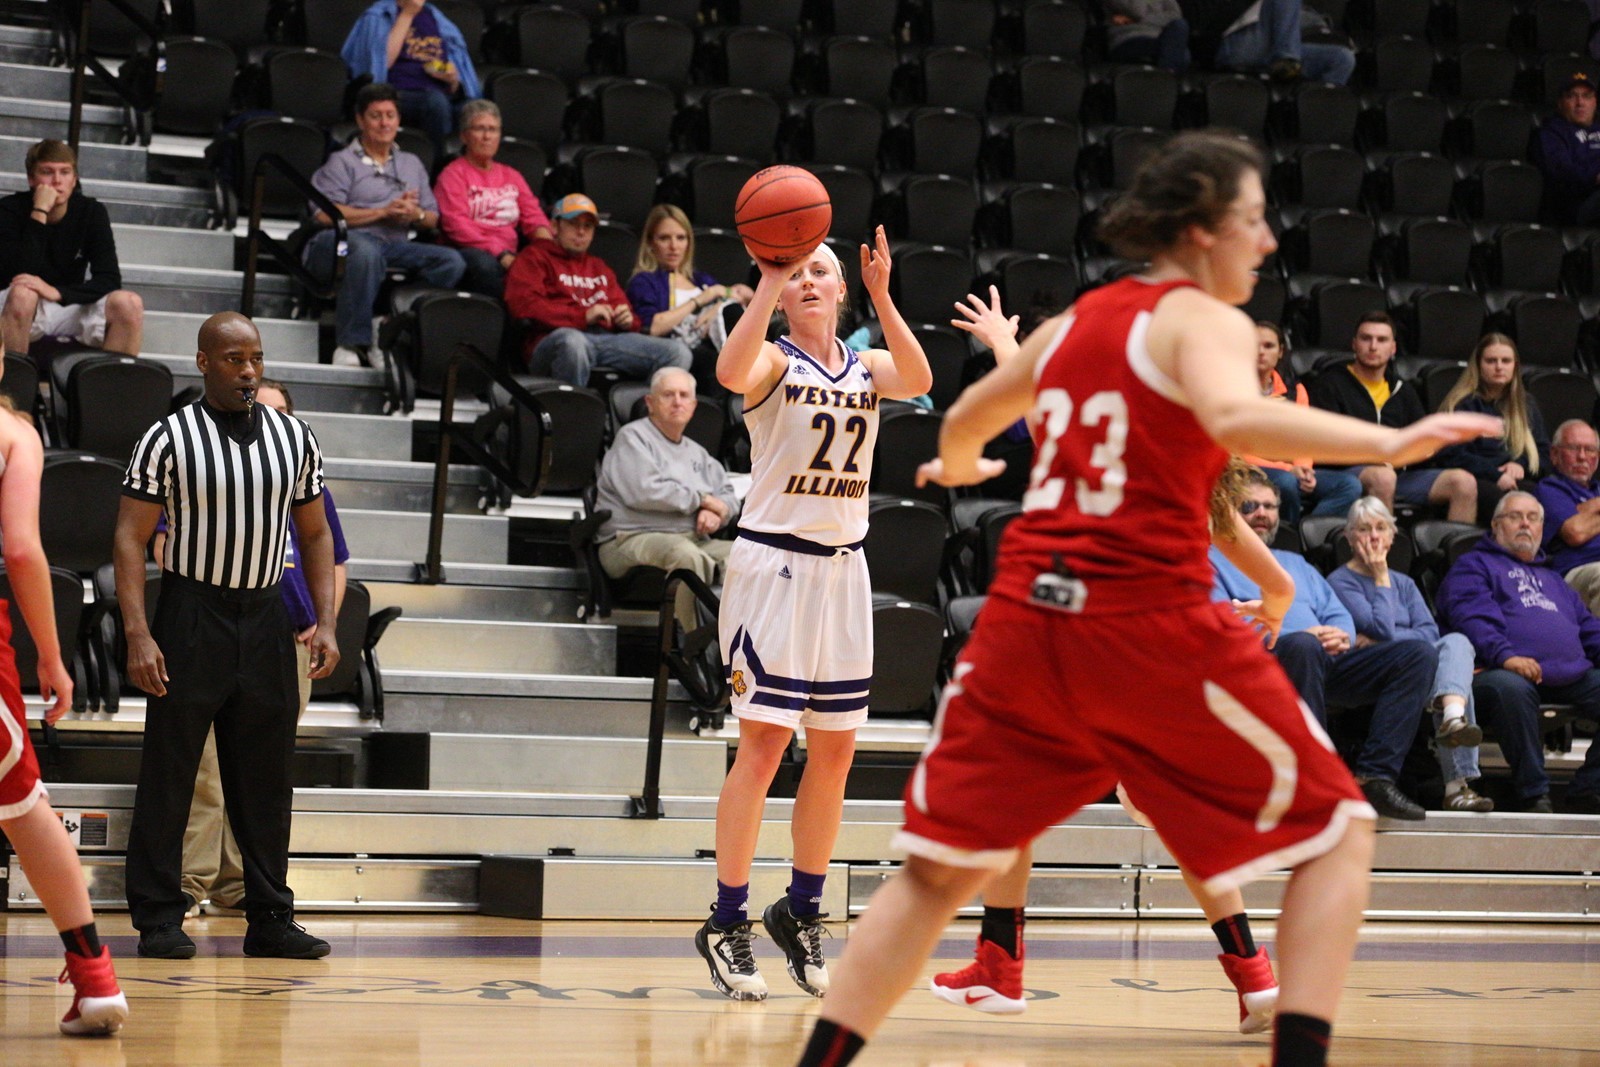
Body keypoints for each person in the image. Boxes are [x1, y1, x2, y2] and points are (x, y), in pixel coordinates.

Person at [792, 130, 1498, 1067]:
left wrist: (963, 463)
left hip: (1024, 625)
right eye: (1254, 220)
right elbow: (1237, 415)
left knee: (931, 876)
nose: (1269, 241)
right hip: (1142, 625)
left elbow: (962, 423)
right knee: (1339, 832)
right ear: (1203, 230)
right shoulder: (1203, 318)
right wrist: (1394, 449)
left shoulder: (1075, 322)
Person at [928, 460, 1287, 1033]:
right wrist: (1269, 612)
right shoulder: (1203, 491)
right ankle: (1254, 974)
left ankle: (1000, 965)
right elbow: (1280, 586)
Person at [695, 227, 931, 1005]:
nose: (806, 281)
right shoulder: (771, 359)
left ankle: (800, 910)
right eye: (794, 272)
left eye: (818, 272)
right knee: (761, 748)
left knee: (834, 754)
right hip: (773, 566)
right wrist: (764, 278)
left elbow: (923, 374)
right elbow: (730, 368)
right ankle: (725, 920)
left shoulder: (865, 364)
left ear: (840, 289)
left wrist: (886, 297)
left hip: (843, 571)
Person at [116, 311, 339, 961]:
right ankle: (159, 915)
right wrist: (138, 632)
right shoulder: (168, 437)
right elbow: (130, 538)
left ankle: (270, 914)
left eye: (256, 358)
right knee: (171, 770)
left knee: (267, 777)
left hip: (268, 613)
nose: (248, 371)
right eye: (234, 359)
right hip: (191, 612)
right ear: (204, 362)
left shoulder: (294, 437)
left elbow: (318, 533)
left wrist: (325, 619)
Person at [177, 379, 351, 918]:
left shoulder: (306, 481)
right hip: (218, 631)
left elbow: (334, 558)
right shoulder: (207, 472)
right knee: (205, 767)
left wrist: (324, 622)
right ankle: (189, 879)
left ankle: (240, 885)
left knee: (261, 770)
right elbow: (163, 540)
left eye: (276, 409)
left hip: (286, 643)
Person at [0, 378, 128, 1036]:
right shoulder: (16, 434)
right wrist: (52, 656)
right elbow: (22, 550)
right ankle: (94, 973)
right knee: (22, 805)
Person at [1212, 471, 1439, 820]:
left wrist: (1340, 634)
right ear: (1230, 513)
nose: (1262, 514)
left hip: (1320, 660)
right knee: (1303, 645)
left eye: (1270, 507)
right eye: (1250, 506)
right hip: (1259, 663)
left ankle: (1375, 777)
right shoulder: (1211, 557)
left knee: (1417, 654)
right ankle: (1313, 779)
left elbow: (1336, 613)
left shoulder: (1297, 563)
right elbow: (1218, 622)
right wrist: (1296, 636)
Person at [1436, 492, 1600, 815]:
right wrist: (1506, 656)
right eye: (1515, 517)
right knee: (1512, 689)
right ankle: (1534, 794)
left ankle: (1588, 789)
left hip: (1567, 673)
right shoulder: (1473, 566)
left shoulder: (1554, 579)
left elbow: (1588, 629)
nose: (1525, 524)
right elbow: (1472, 618)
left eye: (1533, 518)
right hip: (1497, 671)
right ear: (1496, 526)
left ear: (1541, 528)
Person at [1327, 497, 1493, 813]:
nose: (1374, 537)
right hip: (1386, 674)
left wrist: (1380, 640)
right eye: (1364, 529)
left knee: (1456, 642)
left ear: (1392, 537)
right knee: (1445, 669)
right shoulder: (1340, 581)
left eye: (1380, 528)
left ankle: (1452, 719)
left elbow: (1428, 634)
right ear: (1349, 538)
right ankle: (1457, 786)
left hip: (1417, 663)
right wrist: (1380, 579)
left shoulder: (1405, 582)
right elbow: (1385, 628)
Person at [304, 82, 466, 368]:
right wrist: (383, 212)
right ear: (360, 120)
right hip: (339, 242)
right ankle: (351, 343)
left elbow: (433, 217)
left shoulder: (411, 163)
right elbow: (324, 215)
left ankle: (386, 319)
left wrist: (413, 214)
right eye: (376, 115)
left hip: (394, 246)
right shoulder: (341, 161)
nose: (384, 123)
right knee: (366, 251)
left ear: (399, 120)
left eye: (390, 115)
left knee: (451, 262)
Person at [594, 366, 739, 632]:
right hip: (628, 538)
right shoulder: (632, 438)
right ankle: (692, 647)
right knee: (686, 556)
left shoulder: (698, 453)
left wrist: (719, 513)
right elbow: (644, 491)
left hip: (691, 537)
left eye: (684, 396)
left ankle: (736, 645)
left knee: (748, 556)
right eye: (668, 395)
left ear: (694, 406)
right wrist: (702, 501)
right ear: (650, 403)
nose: (677, 401)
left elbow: (727, 495)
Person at [504, 194, 693, 387]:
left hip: (604, 341)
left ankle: (646, 410)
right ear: (554, 226)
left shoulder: (598, 266)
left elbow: (629, 316)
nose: (581, 232)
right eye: (573, 224)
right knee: (572, 342)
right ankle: (570, 414)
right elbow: (524, 307)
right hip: (550, 340)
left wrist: (626, 320)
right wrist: (582, 316)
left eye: (588, 226)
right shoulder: (534, 257)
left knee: (677, 352)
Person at [1308, 311, 1479, 523]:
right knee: (1383, 477)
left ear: (1393, 348)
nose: (1373, 346)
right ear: (1354, 344)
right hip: (1346, 473)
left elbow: (1422, 442)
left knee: (1464, 482)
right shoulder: (1331, 383)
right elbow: (1325, 442)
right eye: (1366, 338)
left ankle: (1460, 555)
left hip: (1400, 474)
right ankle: (1384, 553)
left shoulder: (1402, 390)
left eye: (1381, 340)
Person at [0, 139, 143, 360]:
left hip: (67, 303)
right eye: (47, 172)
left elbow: (109, 279)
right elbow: (19, 272)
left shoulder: (91, 212)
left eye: (65, 172)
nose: (57, 181)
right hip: (16, 305)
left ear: (74, 179)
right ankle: (11, 391)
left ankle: (111, 392)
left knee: (129, 303)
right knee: (23, 294)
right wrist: (39, 211)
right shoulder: (9, 209)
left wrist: (58, 293)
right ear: (31, 179)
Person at [626, 204, 754, 392]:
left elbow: (738, 296)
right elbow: (653, 327)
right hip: (680, 349)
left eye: (680, 238)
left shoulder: (698, 278)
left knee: (735, 314)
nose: (674, 246)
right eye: (664, 238)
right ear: (650, 243)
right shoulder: (644, 281)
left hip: (713, 344)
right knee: (712, 361)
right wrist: (701, 299)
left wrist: (719, 303)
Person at [433, 98, 552, 299]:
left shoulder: (511, 175)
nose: (487, 136)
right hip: (469, 251)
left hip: (508, 253)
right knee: (485, 266)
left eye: (493, 129)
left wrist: (548, 248)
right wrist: (499, 252)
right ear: (464, 136)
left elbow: (533, 216)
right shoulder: (452, 175)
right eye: (480, 129)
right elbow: (456, 225)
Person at [1247, 320, 1360, 524]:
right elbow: (1231, 451)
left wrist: (1304, 469)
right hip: (1246, 469)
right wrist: (1288, 469)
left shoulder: (1295, 391)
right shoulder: (1232, 389)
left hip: (1290, 470)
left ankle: (1303, 532)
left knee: (1349, 485)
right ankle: (1286, 535)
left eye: (1268, 346)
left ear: (1281, 352)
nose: (1261, 352)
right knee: (1286, 483)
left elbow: (1304, 439)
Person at [340, 0, 482, 161]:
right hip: (397, 93)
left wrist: (452, 80)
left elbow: (459, 84)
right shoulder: (380, 15)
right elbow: (380, 62)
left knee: (478, 111)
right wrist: (407, 14)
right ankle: (438, 168)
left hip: (439, 93)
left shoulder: (436, 18)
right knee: (436, 103)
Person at [1434, 333, 1548, 524]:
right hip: (1477, 479)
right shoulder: (1463, 403)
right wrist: (1495, 475)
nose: (1499, 367)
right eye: (1491, 361)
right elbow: (1450, 455)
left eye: (1506, 361)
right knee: (1508, 506)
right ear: (1479, 365)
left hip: (1515, 479)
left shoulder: (1526, 404)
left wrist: (1520, 464)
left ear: (1515, 366)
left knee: (1542, 499)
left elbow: (1544, 452)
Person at [1184, 0, 1355, 85]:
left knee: (1342, 58)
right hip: (1228, 47)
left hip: (1269, 50)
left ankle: (1311, 120)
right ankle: (1286, 59)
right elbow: (1201, 25)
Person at [1535, 419, 1600, 613]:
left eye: (1589, 450)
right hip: (1576, 572)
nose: (1582, 457)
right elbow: (1575, 532)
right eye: (1573, 448)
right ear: (1554, 455)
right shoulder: (1549, 489)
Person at [1534, 72, 1600, 226]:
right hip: (1576, 205)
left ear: (1595, 102)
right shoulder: (1552, 133)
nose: (1580, 103)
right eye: (1572, 96)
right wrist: (1595, 176)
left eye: (1587, 96)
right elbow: (1562, 170)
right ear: (1560, 103)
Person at [1105, 0, 1191, 71]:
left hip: (1156, 38)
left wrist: (1140, 21)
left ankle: (1164, 77)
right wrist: (1160, 20)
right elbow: (1138, 11)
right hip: (1128, 39)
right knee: (1182, 55)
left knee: (1180, 25)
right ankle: (1165, 79)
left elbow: (1176, 15)